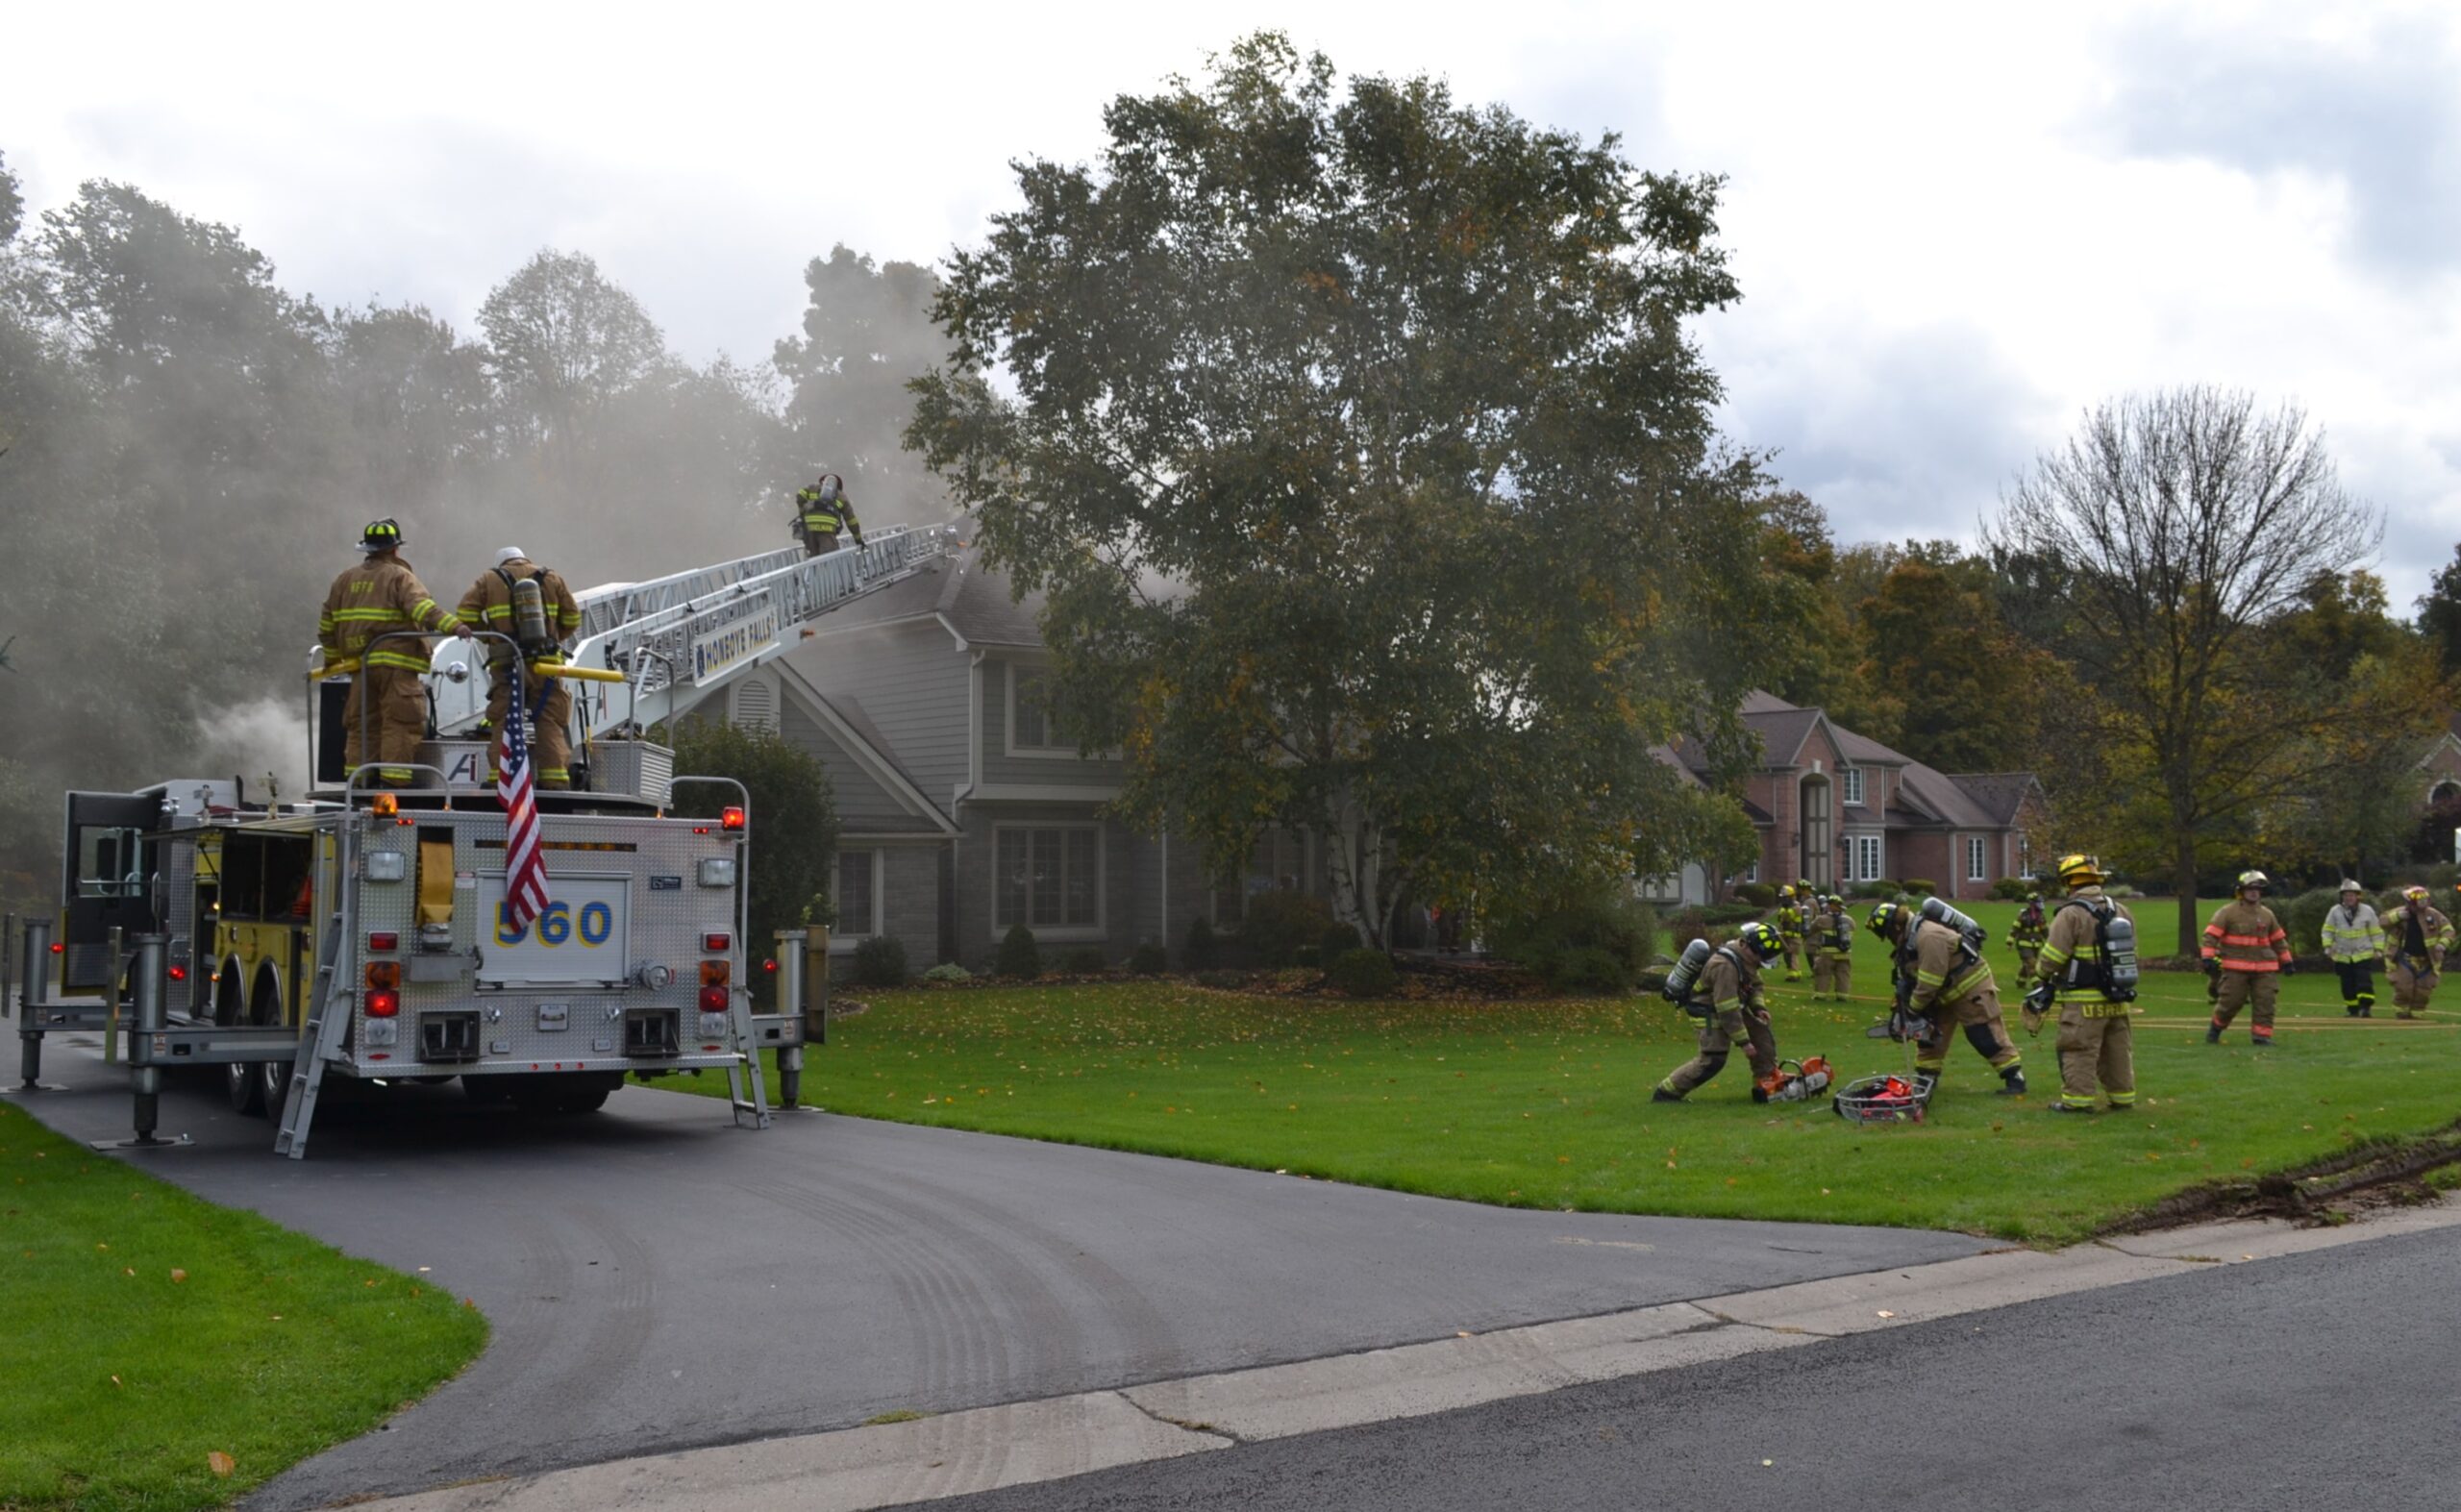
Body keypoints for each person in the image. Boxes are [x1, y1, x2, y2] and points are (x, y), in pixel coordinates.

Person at [319, 518, 468, 788]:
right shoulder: (399, 577)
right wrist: (455, 626)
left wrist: (332, 660)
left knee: (362, 724)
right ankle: (393, 783)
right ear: (394, 549)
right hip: (396, 665)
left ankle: (359, 782)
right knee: (400, 722)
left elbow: (327, 625)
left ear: (367, 548)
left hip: (360, 667)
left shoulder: (344, 580)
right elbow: (423, 609)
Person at [458, 548, 585, 790]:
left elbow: (465, 613)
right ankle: (554, 779)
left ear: (501, 562)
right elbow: (572, 618)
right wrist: (554, 637)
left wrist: (492, 637)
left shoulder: (489, 579)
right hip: (546, 664)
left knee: (504, 719)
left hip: (506, 663)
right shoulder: (551, 577)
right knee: (549, 719)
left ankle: (500, 777)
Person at [1869, 899, 2025, 1095]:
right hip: (1942, 993)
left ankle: (2015, 1079)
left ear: (1896, 926)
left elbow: (1930, 981)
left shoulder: (1929, 936)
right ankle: (1925, 1080)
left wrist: (1913, 1009)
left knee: (1983, 1034)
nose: (1890, 939)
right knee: (1929, 1036)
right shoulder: (1910, 939)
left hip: (1970, 988)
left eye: (1889, 934)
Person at [2031, 854, 2135, 1113]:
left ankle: (2077, 1101)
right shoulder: (2120, 910)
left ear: (2069, 882)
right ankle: (2123, 1098)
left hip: (2083, 1002)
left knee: (2078, 1049)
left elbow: (2053, 956)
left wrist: (2041, 975)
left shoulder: (2071, 913)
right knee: (2117, 1051)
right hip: (2118, 998)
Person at [1653, 922, 1785, 1103]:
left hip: (1730, 1008)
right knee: (1713, 1059)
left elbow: (1755, 985)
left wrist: (1758, 1007)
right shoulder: (1725, 966)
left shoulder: (1746, 960)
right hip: (1707, 1013)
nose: (1759, 964)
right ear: (1751, 949)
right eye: (1760, 959)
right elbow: (1726, 1008)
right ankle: (1666, 1093)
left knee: (1762, 1037)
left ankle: (1765, 1087)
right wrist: (1744, 1042)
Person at [2202, 870, 2293, 1047]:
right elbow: (2211, 936)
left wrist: (2287, 961)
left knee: (2265, 1002)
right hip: (2236, 968)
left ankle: (2262, 1037)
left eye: (2257, 889)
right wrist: (2207, 958)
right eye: (2250, 889)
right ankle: (2216, 1028)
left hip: (2264, 968)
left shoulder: (2267, 914)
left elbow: (2278, 940)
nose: (2254, 892)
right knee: (2231, 1002)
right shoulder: (2227, 912)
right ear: (2241, 891)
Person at [2381, 884, 2452, 1020]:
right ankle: (2401, 1012)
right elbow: (2383, 921)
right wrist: (2398, 916)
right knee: (2403, 987)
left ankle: (2417, 1014)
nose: (2421, 907)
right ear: (2409, 903)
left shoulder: (2434, 915)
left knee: (2423, 990)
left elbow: (2448, 930)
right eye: (2419, 903)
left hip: (2428, 959)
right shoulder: (2400, 913)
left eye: (2425, 902)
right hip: (2404, 958)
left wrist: (2443, 943)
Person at [2320, 880, 2384, 1018]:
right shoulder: (2335, 911)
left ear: (2358, 896)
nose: (2348, 898)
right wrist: (2327, 946)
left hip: (2363, 954)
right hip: (2343, 955)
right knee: (2347, 984)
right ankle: (2352, 1009)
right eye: (2346, 895)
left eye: (2351, 895)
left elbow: (2376, 931)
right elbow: (2328, 930)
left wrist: (2378, 949)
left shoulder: (2367, 911)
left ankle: (2365, 1008)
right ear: (2342, 896)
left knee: (2364, 982)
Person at [794, 473, 866, 557]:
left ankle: (814, 564)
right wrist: (858, 540)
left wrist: (803, 510)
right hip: (827, 531)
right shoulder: (841, 496)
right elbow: (851, 521)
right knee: (830, 559)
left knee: (813, 559)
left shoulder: (812, 488)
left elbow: (800, 496)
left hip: (809, 530)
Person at [1809, 893, 1853, 1002]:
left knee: (1823, 973)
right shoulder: (1850, 920)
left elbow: (1811, 929)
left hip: (1828, 953)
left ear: (1831, 905)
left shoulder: (1822, 919)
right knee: (1843, 974)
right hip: (1845, 953)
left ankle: (1820, 995)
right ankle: (1842, 996)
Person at [2010, 891, 2049, 979]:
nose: (2041, 905)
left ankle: (2020, 980)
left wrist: (2051, 941)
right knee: (2032, 964)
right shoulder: (2023, 915)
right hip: (2024, 945)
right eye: (2038, 903)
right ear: (2032, 904)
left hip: (2036, 945)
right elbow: (2015, 928)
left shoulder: (2041, 916)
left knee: (2027, 964)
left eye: (2041, 903)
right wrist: (2010, 941)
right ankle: (2037, 984)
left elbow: (2045, 931)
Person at [1773, 885, 1805, 981]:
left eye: (1785, 898)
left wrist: (1783, 911)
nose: (1783, 900)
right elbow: (1780, 922)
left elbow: (1786, 918)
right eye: (1783, 898)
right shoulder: (1786, 908)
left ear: (1791, 897)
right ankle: (1795, 972)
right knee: (1788, 955)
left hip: (1794, 936)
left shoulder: (1796, 908)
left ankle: (1793, 975)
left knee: (1791, 955)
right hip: (1786, 935)